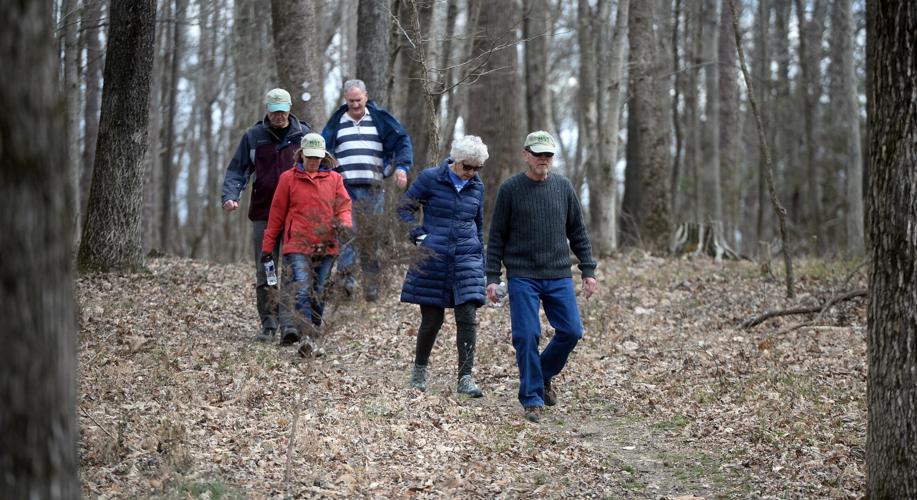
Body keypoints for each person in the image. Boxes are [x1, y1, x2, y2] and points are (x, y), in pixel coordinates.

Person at [485, 131, 598, 423]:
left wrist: (588, 270)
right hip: (523, 275)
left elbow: (578, 232)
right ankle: (532, 398)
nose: (543, 160)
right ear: (526, 155)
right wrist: (492, 276)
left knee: (572, 331)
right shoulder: (511, 189)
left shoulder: (563, 187)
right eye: (538, 154)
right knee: (526, 335)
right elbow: (496, 236)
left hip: (558, 274)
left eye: (548, 155)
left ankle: (541, 375)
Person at [398, 136, 490, 397]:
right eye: (467, 167)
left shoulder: (477, 187)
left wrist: (481, 264)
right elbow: (404, 210)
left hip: (466, 258)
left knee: (468, 318)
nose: (471, 173)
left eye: (476, 168)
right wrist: (418, 235)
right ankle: (419, 371)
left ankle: (465, 378)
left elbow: (479, 225)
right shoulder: (430, 178)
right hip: (433, 258)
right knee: (432, 319)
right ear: (455, 161)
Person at [222, 88, 311, 342]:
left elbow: (319, 170)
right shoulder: (254, 136)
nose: (279, 116)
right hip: (263, 212)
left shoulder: (303, 135)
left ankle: (290, 324)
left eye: (283, 111)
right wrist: (231, 195)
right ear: (267, 111)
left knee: (294, 269)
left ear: (290, 108)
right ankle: (269, 323)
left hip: (296, 214)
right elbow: (237, 171)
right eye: (274, 112)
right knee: (266, 267)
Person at [321, 79, 413, 301]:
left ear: (366, 96)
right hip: (344, 189)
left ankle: (371, 287)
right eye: (351, 101)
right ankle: (346, 286)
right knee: (347, 236)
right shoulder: (337, 122)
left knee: (371, 237)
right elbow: (323, 149)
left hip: (373, 189)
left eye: (358, 100)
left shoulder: (379, 119)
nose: (355, 105)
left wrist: (400, 168)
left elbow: (402, 140)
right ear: (346, 99)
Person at [261, 133, 352, 354]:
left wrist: (344, 223)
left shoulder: (334, 179)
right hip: (298, 244)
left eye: (317, 157)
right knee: (302, 287)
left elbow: (344, 207)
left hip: (327, 244)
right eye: (309, 157)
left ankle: (314, 333)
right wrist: (267, 247)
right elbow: (276, 215)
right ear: (301, 155)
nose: (313, 161)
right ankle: (307, 336)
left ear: (324, 157)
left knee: (319, 291)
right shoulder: (288, 178)